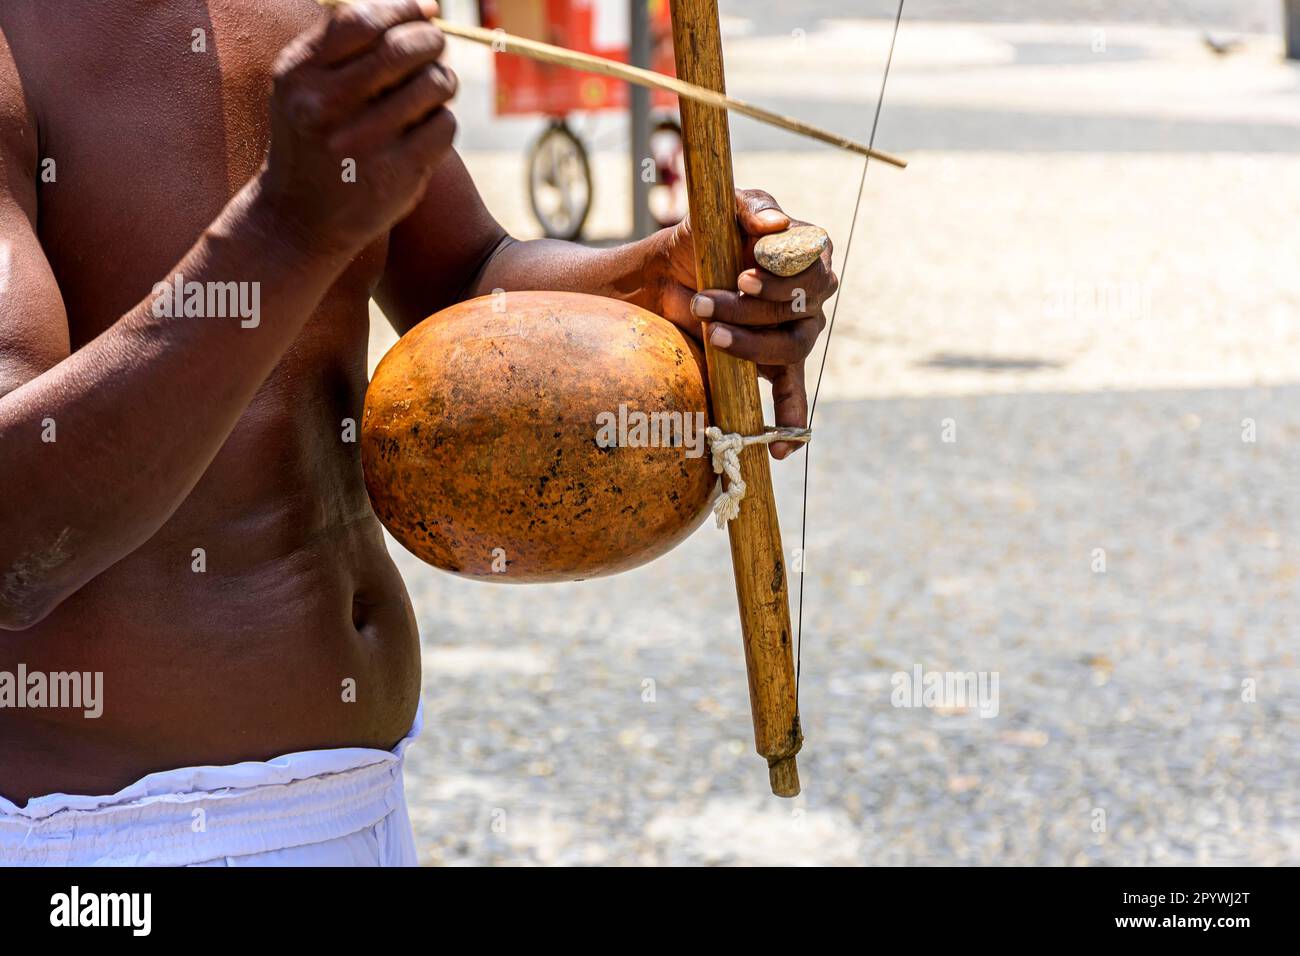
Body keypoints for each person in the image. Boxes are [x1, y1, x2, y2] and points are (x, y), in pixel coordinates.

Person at [0, 0, 837, 865]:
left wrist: (666, 283)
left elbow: (468, 272)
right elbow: (13, 535)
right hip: (115, 838)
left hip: (357, 793)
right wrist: (284, 229)